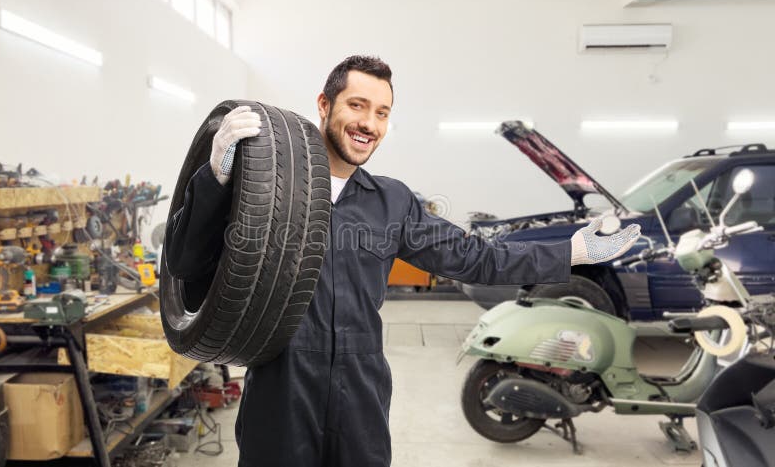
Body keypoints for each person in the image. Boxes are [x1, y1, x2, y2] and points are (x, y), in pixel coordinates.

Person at [165, 55, 641, 467]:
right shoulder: (257, 191)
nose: (369, 123)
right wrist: (216, 176)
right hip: (281, 383)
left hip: (362, 389)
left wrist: (573, 251)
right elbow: (187, 264)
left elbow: (475, 257)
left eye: (382, 113)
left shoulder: (391, 201)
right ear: (324, 105)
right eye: (357, 105)